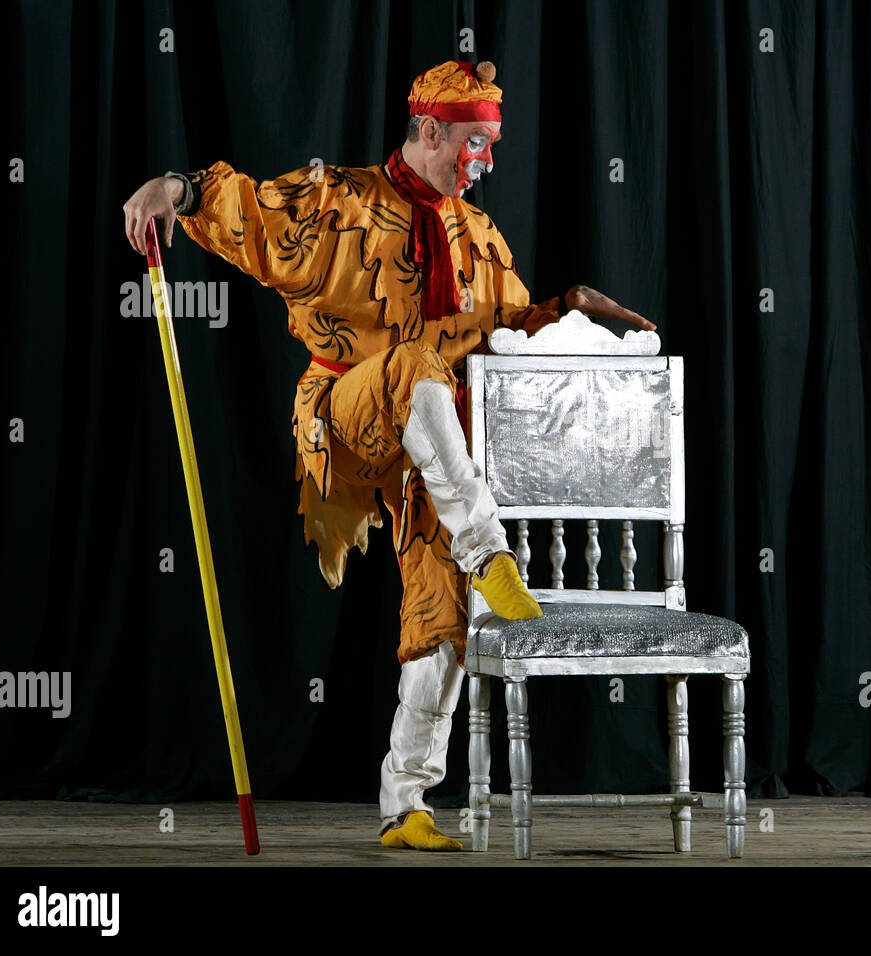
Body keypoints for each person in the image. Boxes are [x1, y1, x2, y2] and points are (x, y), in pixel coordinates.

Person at [121, 59, 652, 850]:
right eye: (476, 143)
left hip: (429, 457)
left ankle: (405, 805)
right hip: (343, 415)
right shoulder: (340, 200)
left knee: (442, 622)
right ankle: (490, 550)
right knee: (411, 368)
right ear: (431, 131)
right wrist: (176, 185)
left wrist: (563, 310)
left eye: (494, 146)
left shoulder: (480, 238)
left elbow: (502, 338)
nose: (488, 162)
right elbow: (248, 212)